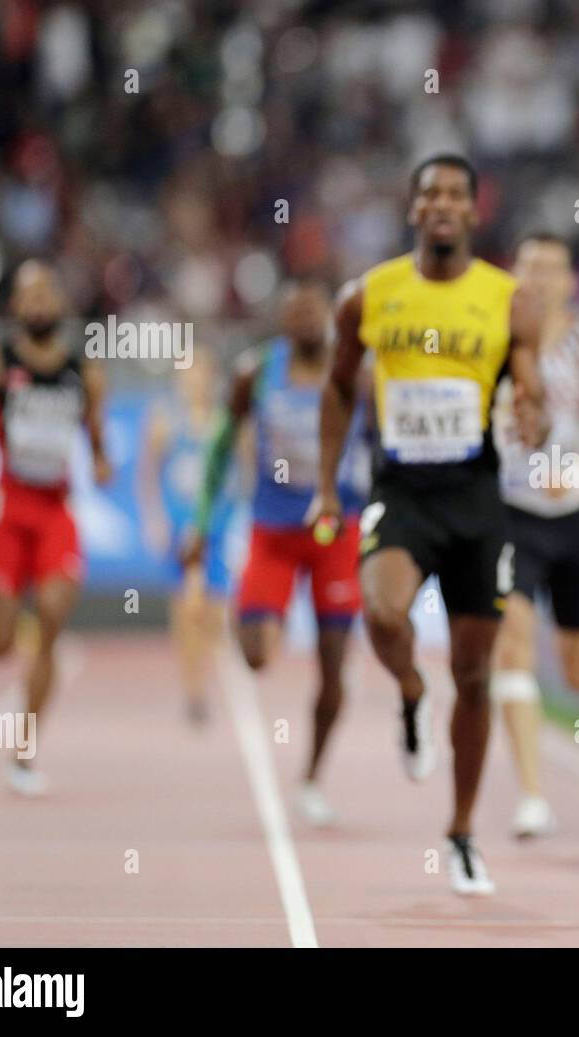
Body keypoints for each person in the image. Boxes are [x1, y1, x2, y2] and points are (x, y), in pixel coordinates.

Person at [310, 154, 547, 896]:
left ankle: (462, 831)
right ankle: (411, 690)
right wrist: (324, 486)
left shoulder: (510, 300)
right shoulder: (368, 296)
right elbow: (339, 387)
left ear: (474, 212)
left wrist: (534, 418)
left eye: (455, 195)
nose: (442, 205)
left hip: (475, 499)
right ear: (413, 209)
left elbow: (531, 389)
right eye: (429, 194)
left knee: (475, 674)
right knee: (381, 611)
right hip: (402, 491)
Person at [186, 281, 370, 827]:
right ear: (281, 322)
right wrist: (201, 521)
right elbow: (221, 443)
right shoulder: (256, 372)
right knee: (257, 655)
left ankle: (312, 777)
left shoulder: (358, 372)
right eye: (293, 312)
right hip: (273, 530)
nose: (305, 320)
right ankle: (273, 613)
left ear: (333, 316)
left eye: (314, 309)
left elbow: (386, 448)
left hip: (338, 530)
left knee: (333, 666)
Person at [0, 259, 111, 796]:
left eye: (47, 294)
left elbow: (99, 445)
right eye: (28, 296)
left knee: (55, 616)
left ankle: (23, 752)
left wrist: (103, 464)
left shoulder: (86, 374)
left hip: (56, 512)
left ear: (60, 303)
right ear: (14, 308)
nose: (38, 304)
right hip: (10, 512)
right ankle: (12, 619)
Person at [490, 232, 579, 838]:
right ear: (513, 275)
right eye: (530, 266)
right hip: (512, 515)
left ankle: (539, 692)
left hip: (574, 519)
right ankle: (531, 796)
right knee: (512, 643)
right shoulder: (492, 342)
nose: (541, 279)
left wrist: (574, 472)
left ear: (572, 282)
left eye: (552, 268)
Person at [138, 347, 232, 725]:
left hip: (218, 524)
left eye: (201, 372)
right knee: (185, 607)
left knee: (213, 610)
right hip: (181, 525)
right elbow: (147, 473)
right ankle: (193, 686)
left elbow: (243, 471)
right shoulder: (165, 420)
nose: (194, 381)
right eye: (188, 373)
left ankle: (206, 671)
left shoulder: (224, 419)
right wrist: (155, 519)